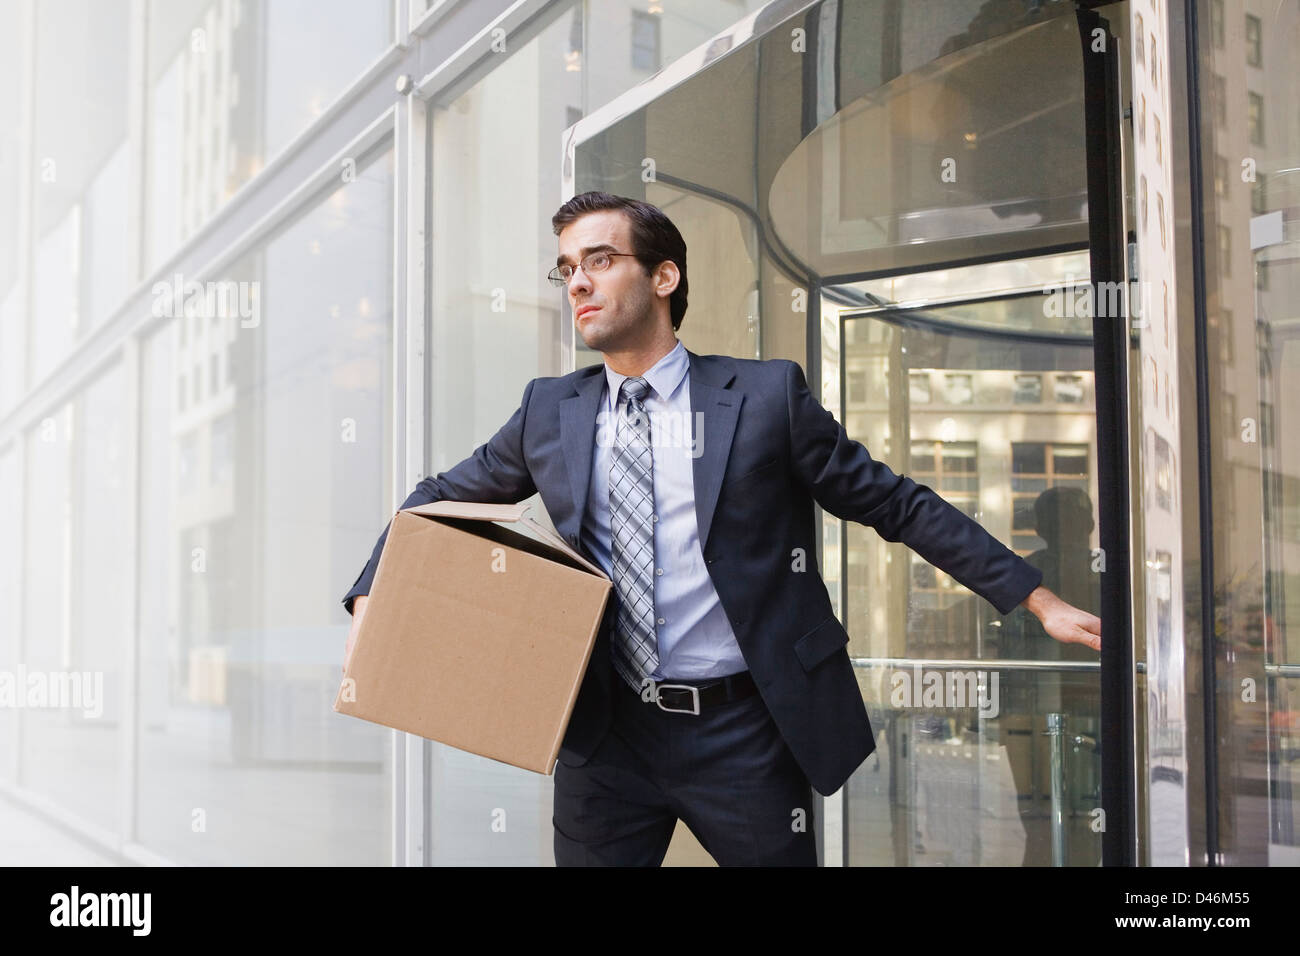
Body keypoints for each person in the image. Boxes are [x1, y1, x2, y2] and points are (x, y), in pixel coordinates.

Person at [340, 191, 1102, 866]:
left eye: (599, 260)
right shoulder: (550, 408)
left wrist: (1035, 598)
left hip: (745, 735)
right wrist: (374, 599)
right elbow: (437, 498)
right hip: (605, 736)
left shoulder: (764, 398)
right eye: (566, 267)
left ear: (663, 276)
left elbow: (894, 503)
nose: (577, 280)